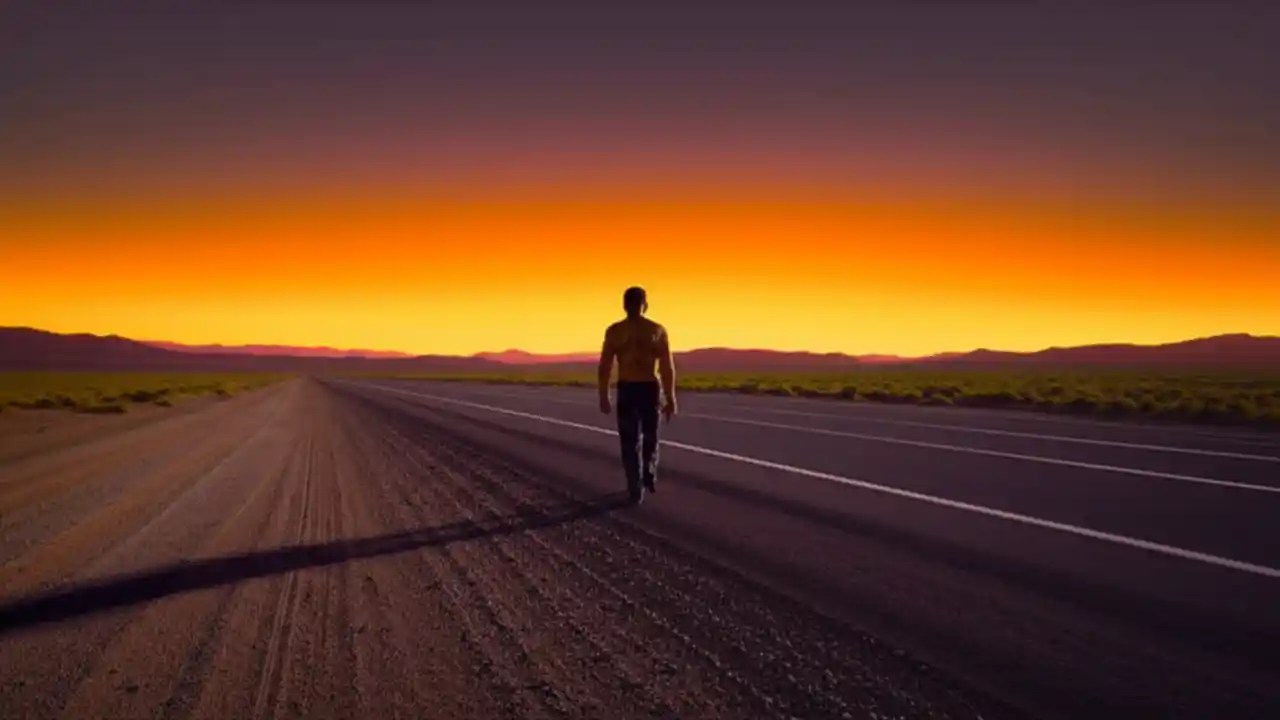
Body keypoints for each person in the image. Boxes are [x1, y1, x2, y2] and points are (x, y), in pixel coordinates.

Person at [598, 286, 677, 503]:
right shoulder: (617, 331)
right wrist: (604, 394)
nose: (634, 307)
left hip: (647, 388)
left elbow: (666, 367)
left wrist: (671, 398)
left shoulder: (655, 330)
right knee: (632, 439)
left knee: (645, 437)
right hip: (631, 389)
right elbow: (604, 366)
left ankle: (645, 475)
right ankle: (636, 480)